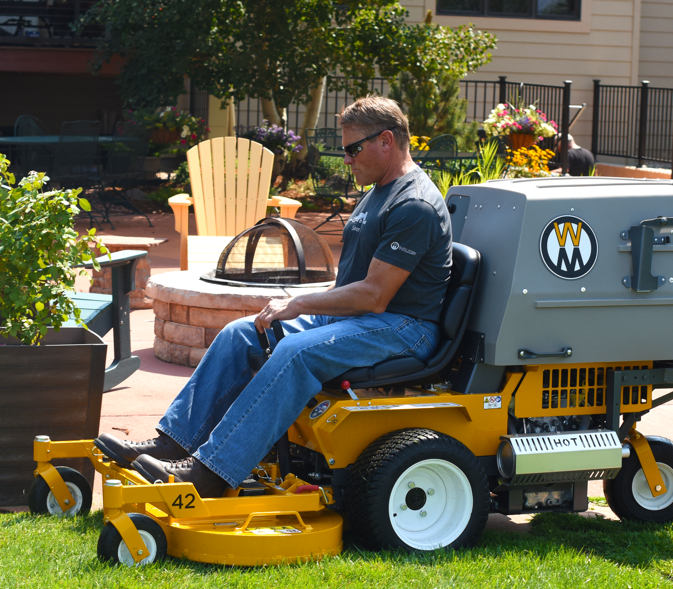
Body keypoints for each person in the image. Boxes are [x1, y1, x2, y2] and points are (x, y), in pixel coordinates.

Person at [100, 95, 453, 497]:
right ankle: (176, 441)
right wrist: (304, 301)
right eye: (344, 150)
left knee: (296, 352)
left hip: (402, 327)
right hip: (362, 318)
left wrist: (299, 304)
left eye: (353, 149)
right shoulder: (379, 191)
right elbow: (354, 284)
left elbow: (374, 295)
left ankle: (212, 473)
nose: (347, 160)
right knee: (239, 333)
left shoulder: (415, 204)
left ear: (386, 141)